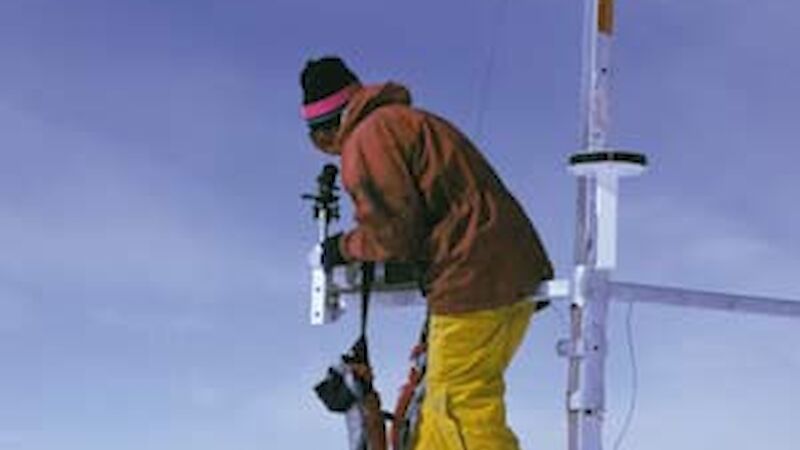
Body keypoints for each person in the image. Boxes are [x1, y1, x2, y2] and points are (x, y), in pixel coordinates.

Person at [300, 56, 553, 450]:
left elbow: (394, 235)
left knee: (457, 411)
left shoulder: (368, 138)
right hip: (507, 276)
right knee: (435, 424)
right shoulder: (405, 122)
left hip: (472, 282)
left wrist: (342, 248)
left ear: (323, 133)